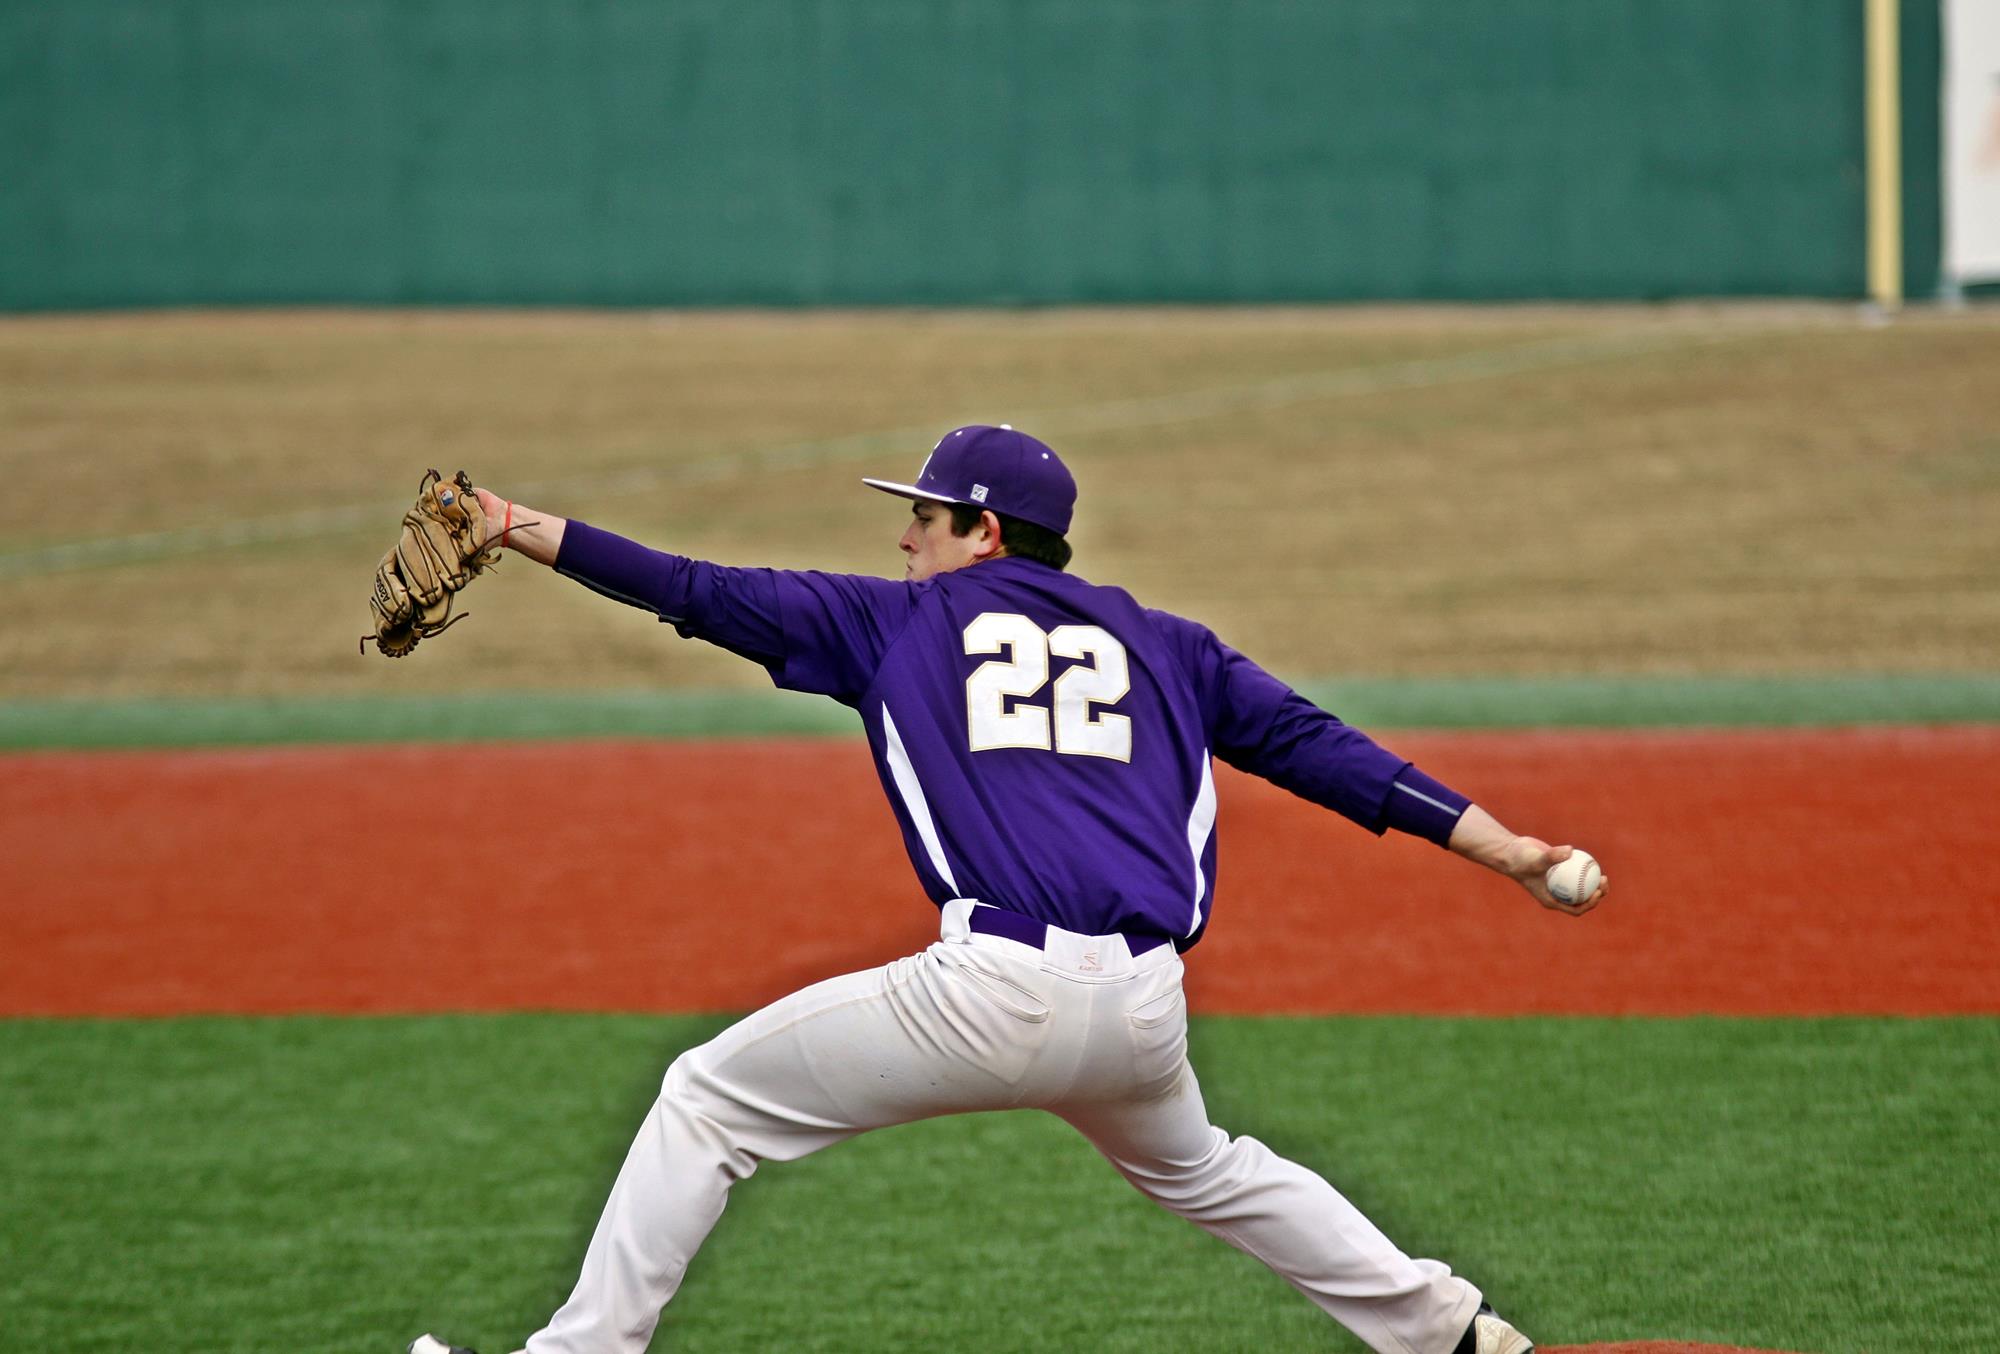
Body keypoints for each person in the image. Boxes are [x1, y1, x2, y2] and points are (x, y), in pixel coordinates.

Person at [408, 425, 1606, 1354]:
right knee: (1211, 1170)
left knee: (705, 1102)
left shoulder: (893, 622)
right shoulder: (1168, 642)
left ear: (982, 530)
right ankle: (1447, 1329)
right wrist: (1512, 850)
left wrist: (515, 524)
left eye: (921, 517)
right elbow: (1321, 749)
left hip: (989, 990)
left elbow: (692, 586)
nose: (902, 541)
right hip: (1142, 1012)